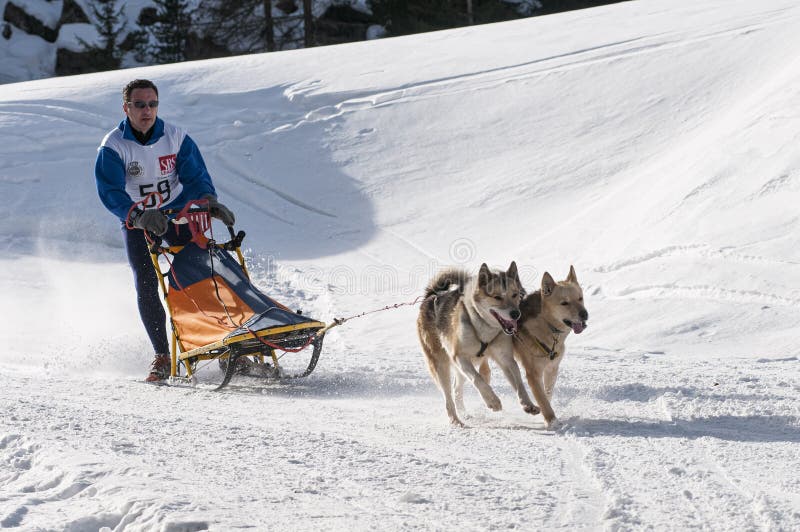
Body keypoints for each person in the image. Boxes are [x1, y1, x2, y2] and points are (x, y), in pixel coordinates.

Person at [95, 79, 235, 382]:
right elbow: (110, 192)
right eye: (139, 105)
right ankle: (162, 354)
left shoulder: (175, 137)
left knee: (199, 274)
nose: (147, 110)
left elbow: (196, 176)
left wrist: (208, 202)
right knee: (146, 281)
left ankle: (224, 347)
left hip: (177, 213)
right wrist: (137, 216)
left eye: (152, 104)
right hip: (138, 219)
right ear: (126, 108)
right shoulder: (113, 146)